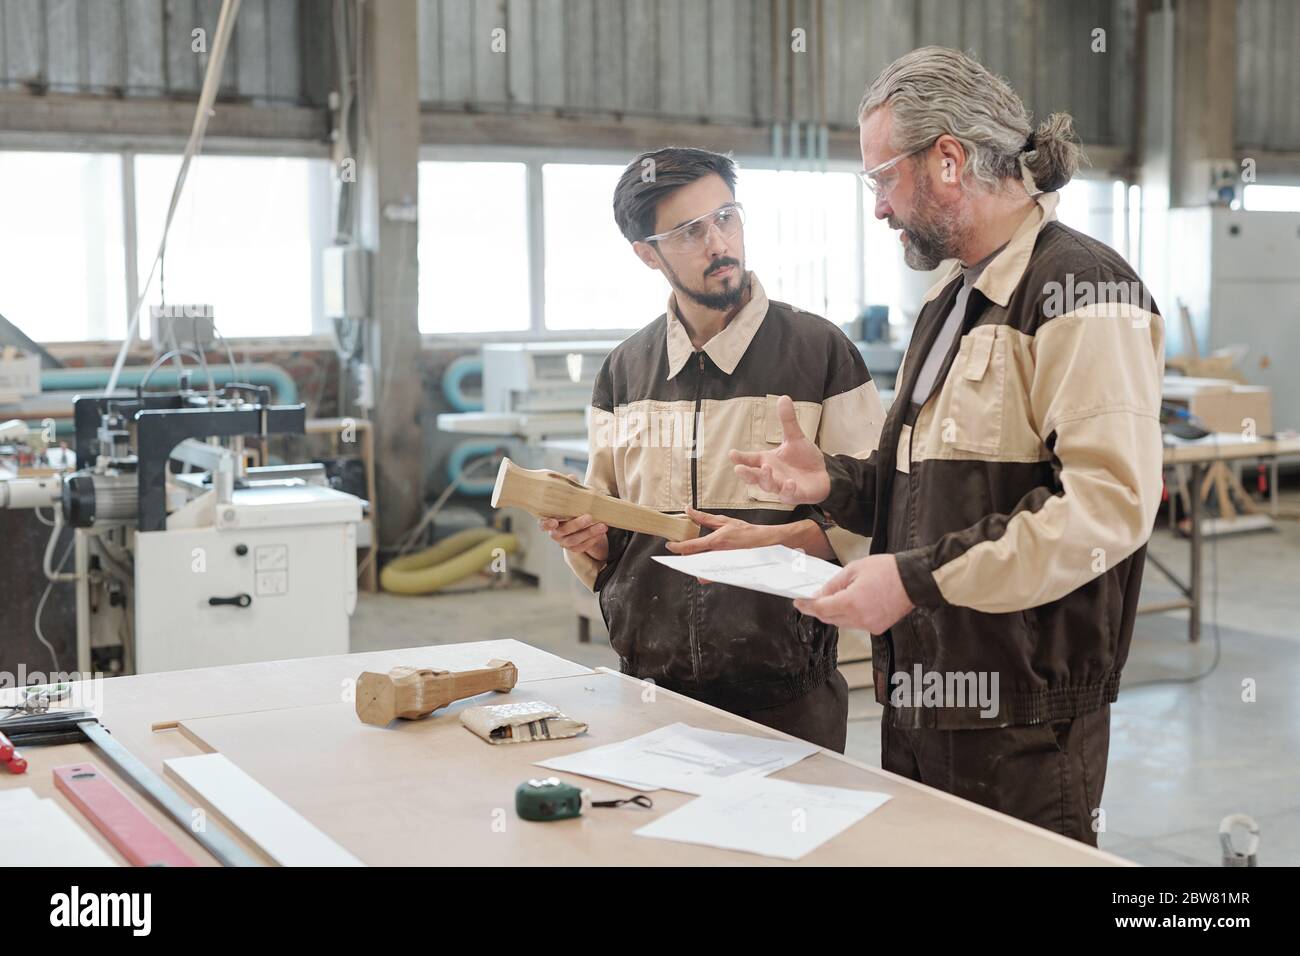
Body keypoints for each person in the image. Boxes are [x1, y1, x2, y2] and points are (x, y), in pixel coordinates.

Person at [731, 48, 1165, 843]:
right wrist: (831, 482)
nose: (879, 210)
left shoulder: (1083, 292)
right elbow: (935, 489)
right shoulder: (951, 296)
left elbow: (1106, 511)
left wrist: (913, 581)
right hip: (922, 696)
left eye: (881, 179)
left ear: (950, 161)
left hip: (1025, 719)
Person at [545, 146, 883, 752]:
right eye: (689, 231)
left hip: (788, 696)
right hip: (649, 690)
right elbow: (608, 529)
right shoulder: (624, 373)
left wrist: (774, 541)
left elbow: (877, 516)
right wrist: (589, 537)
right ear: (647, 253)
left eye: (727, 216)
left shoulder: (820, 354)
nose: (718, 243)